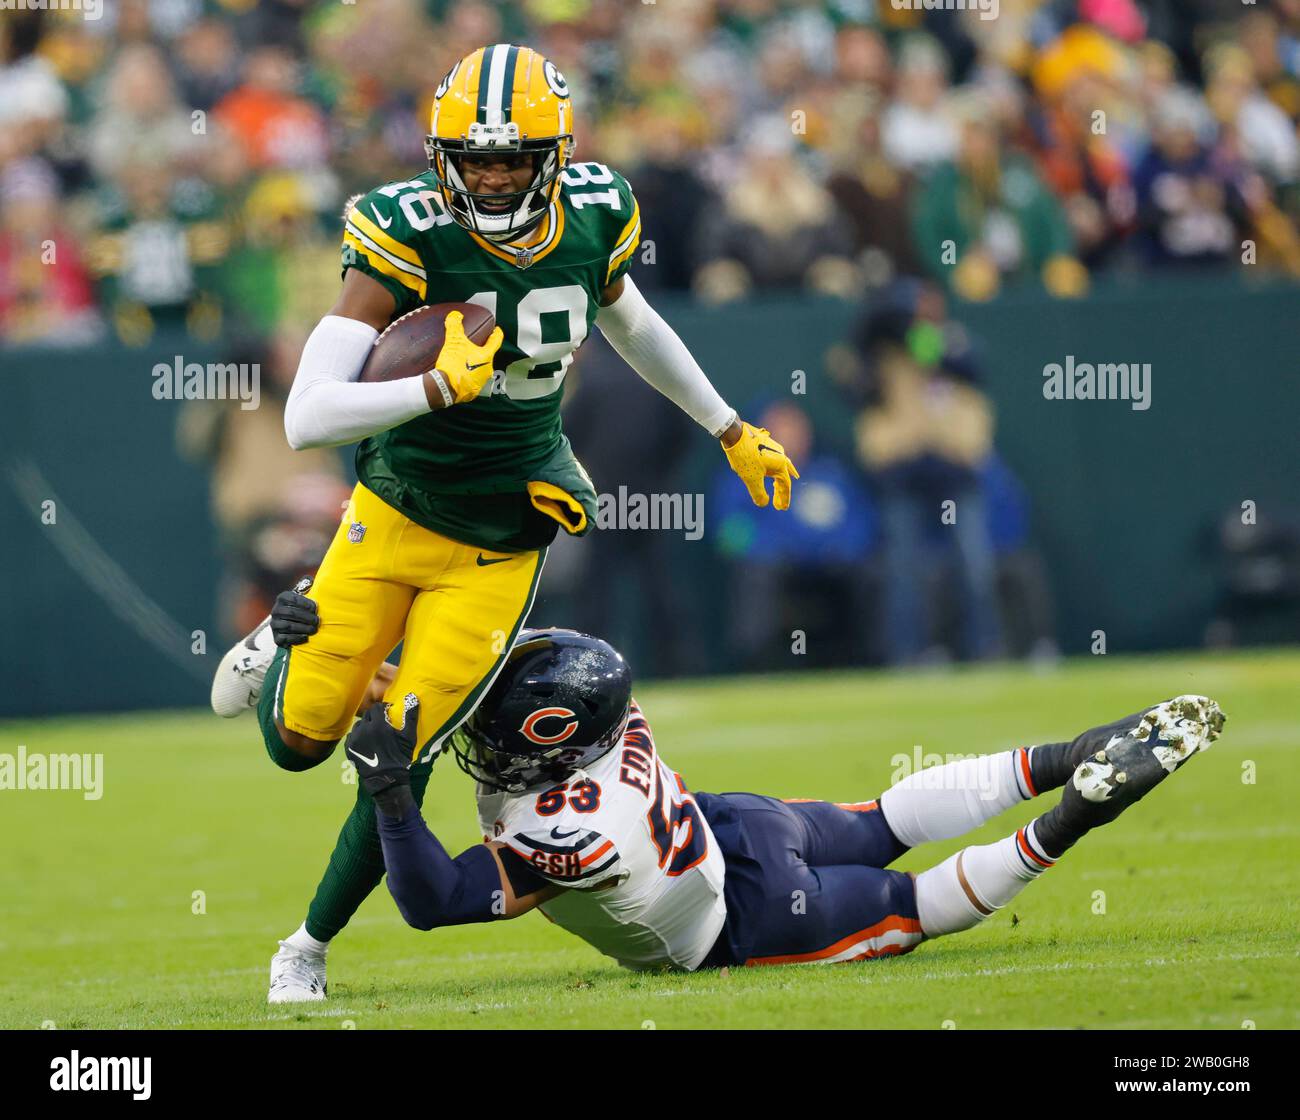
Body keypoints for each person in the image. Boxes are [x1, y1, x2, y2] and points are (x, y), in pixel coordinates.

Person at [206, 44, 799, 1002]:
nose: (486, 175)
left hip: (501, 532)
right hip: (394, 509)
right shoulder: (405, 229)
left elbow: (632, 321)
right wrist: (432, 387)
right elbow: (306, 415)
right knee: (296, 740)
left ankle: (306, 947)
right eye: (470, 157)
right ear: (439, 153)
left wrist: (728, 428)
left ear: (552, 156)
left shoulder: (600, 210)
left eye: (509, 158)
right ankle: (275, 649)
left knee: (398, 752)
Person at [273, 599, 1226, 976]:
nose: (472, 735)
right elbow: (447, 688)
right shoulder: (605, 702)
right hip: (739, 823)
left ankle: (1070, 820)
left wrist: (393, 801)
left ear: (545, 741)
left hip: (747, 921)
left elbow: (435, 903)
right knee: (886, 817)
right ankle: (1075, 754)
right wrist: (318, 644)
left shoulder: (569, 829)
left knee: (913, 907)